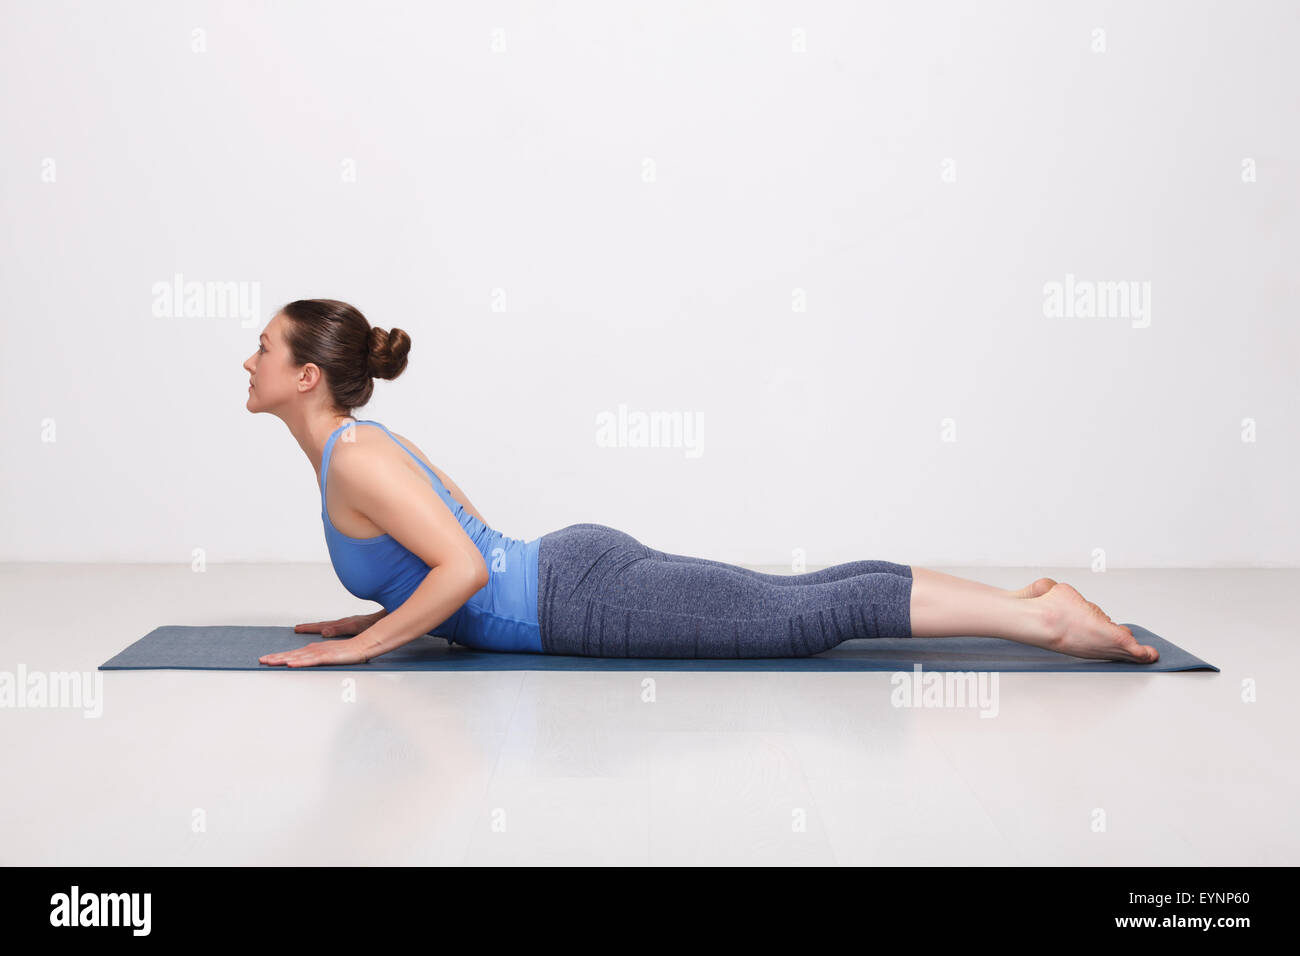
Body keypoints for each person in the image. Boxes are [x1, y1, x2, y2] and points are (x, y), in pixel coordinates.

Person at [247, 299, 1159, 668]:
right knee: (800, 597)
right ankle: (1021, 603)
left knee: (801, 621)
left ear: (306, 376)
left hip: (576, 599)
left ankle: (1047, 622)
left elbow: (469, 567)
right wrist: (392, 616)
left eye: (262, 348)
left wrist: (363, 650)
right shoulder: (356, 448)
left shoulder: (355, 455)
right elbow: (459, 542)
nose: (248, 361)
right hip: (570, 576)